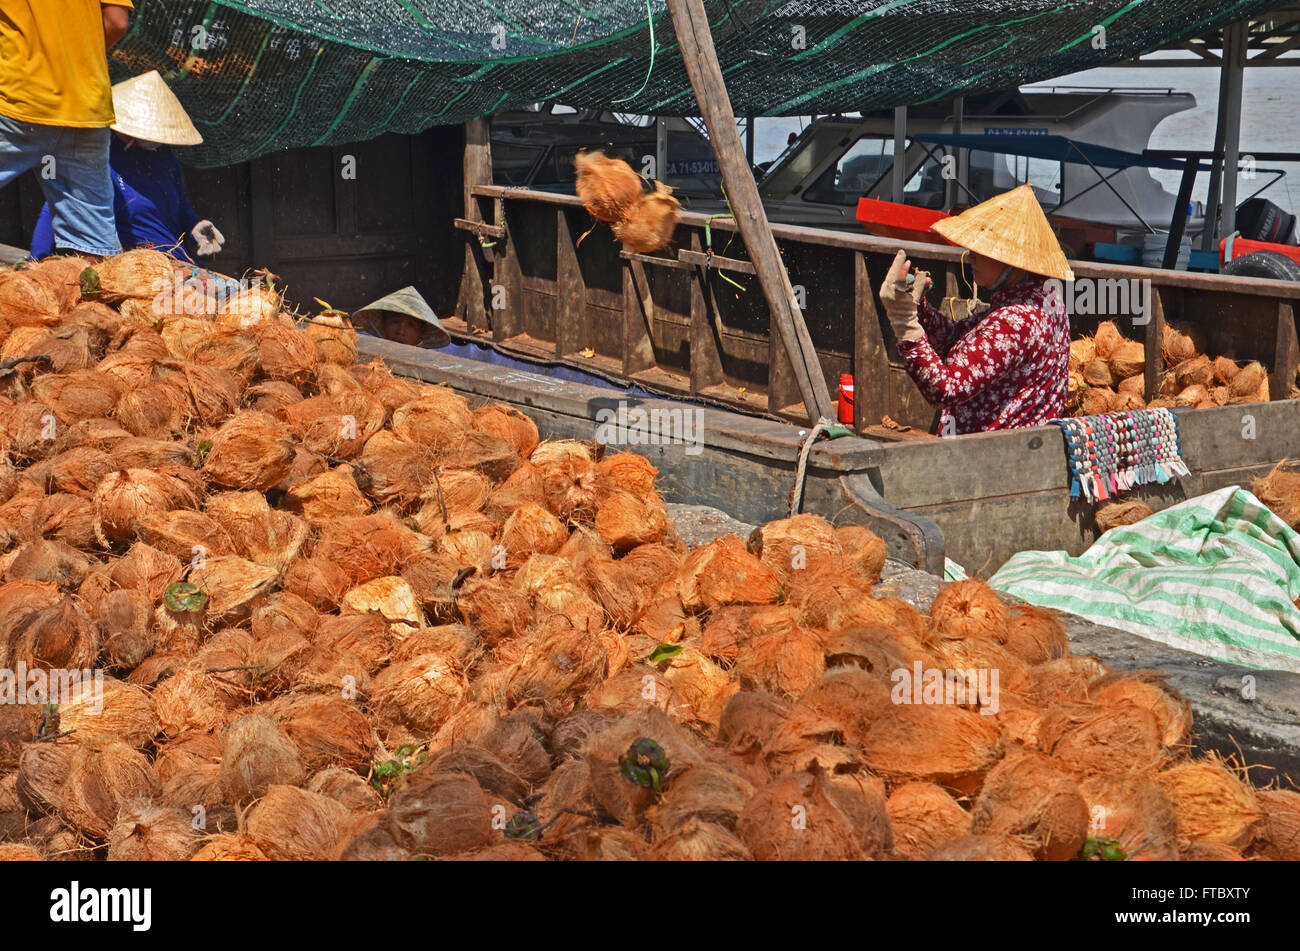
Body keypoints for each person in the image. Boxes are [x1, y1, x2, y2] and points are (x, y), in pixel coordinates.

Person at [878, 183, 1073, 435]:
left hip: (991, 459)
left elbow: (946, 390)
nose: (970, 256)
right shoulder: (1044, 300)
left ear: (1012, 263)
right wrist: (917, 308)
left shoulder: (1016, 320)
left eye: (982, 250)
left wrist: (904, 322)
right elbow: (953, 336)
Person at [29, 70, 222, 264]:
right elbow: (57, 206)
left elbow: (180, 204)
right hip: (134, 268)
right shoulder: (99, 162)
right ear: (131, 134)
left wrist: (194, 224)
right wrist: (37, 260)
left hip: (178, 261)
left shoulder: (164, 156)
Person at [0, 1, 134, 258]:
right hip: (85, 105)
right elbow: (117, 22)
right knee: (93, 242)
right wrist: (74, 60)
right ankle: (98, 294)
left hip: (17, 96)